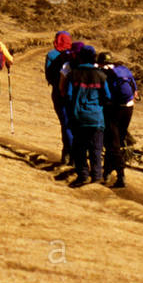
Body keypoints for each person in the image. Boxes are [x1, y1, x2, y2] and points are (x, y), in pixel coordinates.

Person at [60, 44, 107, 187]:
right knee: (96, 149)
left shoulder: (73, 74)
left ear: (80, 57)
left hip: (79, 117)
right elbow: (107, 96)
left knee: (79, 148)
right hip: (96, 117)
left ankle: (83, 175)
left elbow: (67, 95)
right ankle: (97, 176)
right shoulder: (101, 75)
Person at [99, 51, 140, 188]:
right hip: (129, 108)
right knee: (117, 140)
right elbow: (134, 89)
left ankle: (121, 175)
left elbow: (105, 94)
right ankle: (107, 171)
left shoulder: (104, 74)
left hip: (114, 109)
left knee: (113, 143)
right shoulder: (123, 69)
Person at [44, 31, 74, 164]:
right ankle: (75, 154)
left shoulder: (51, 55)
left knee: (65, 123)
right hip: (76, 95)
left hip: (58, 92)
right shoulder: (76, 55)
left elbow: (48, 75)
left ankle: (67, 152)